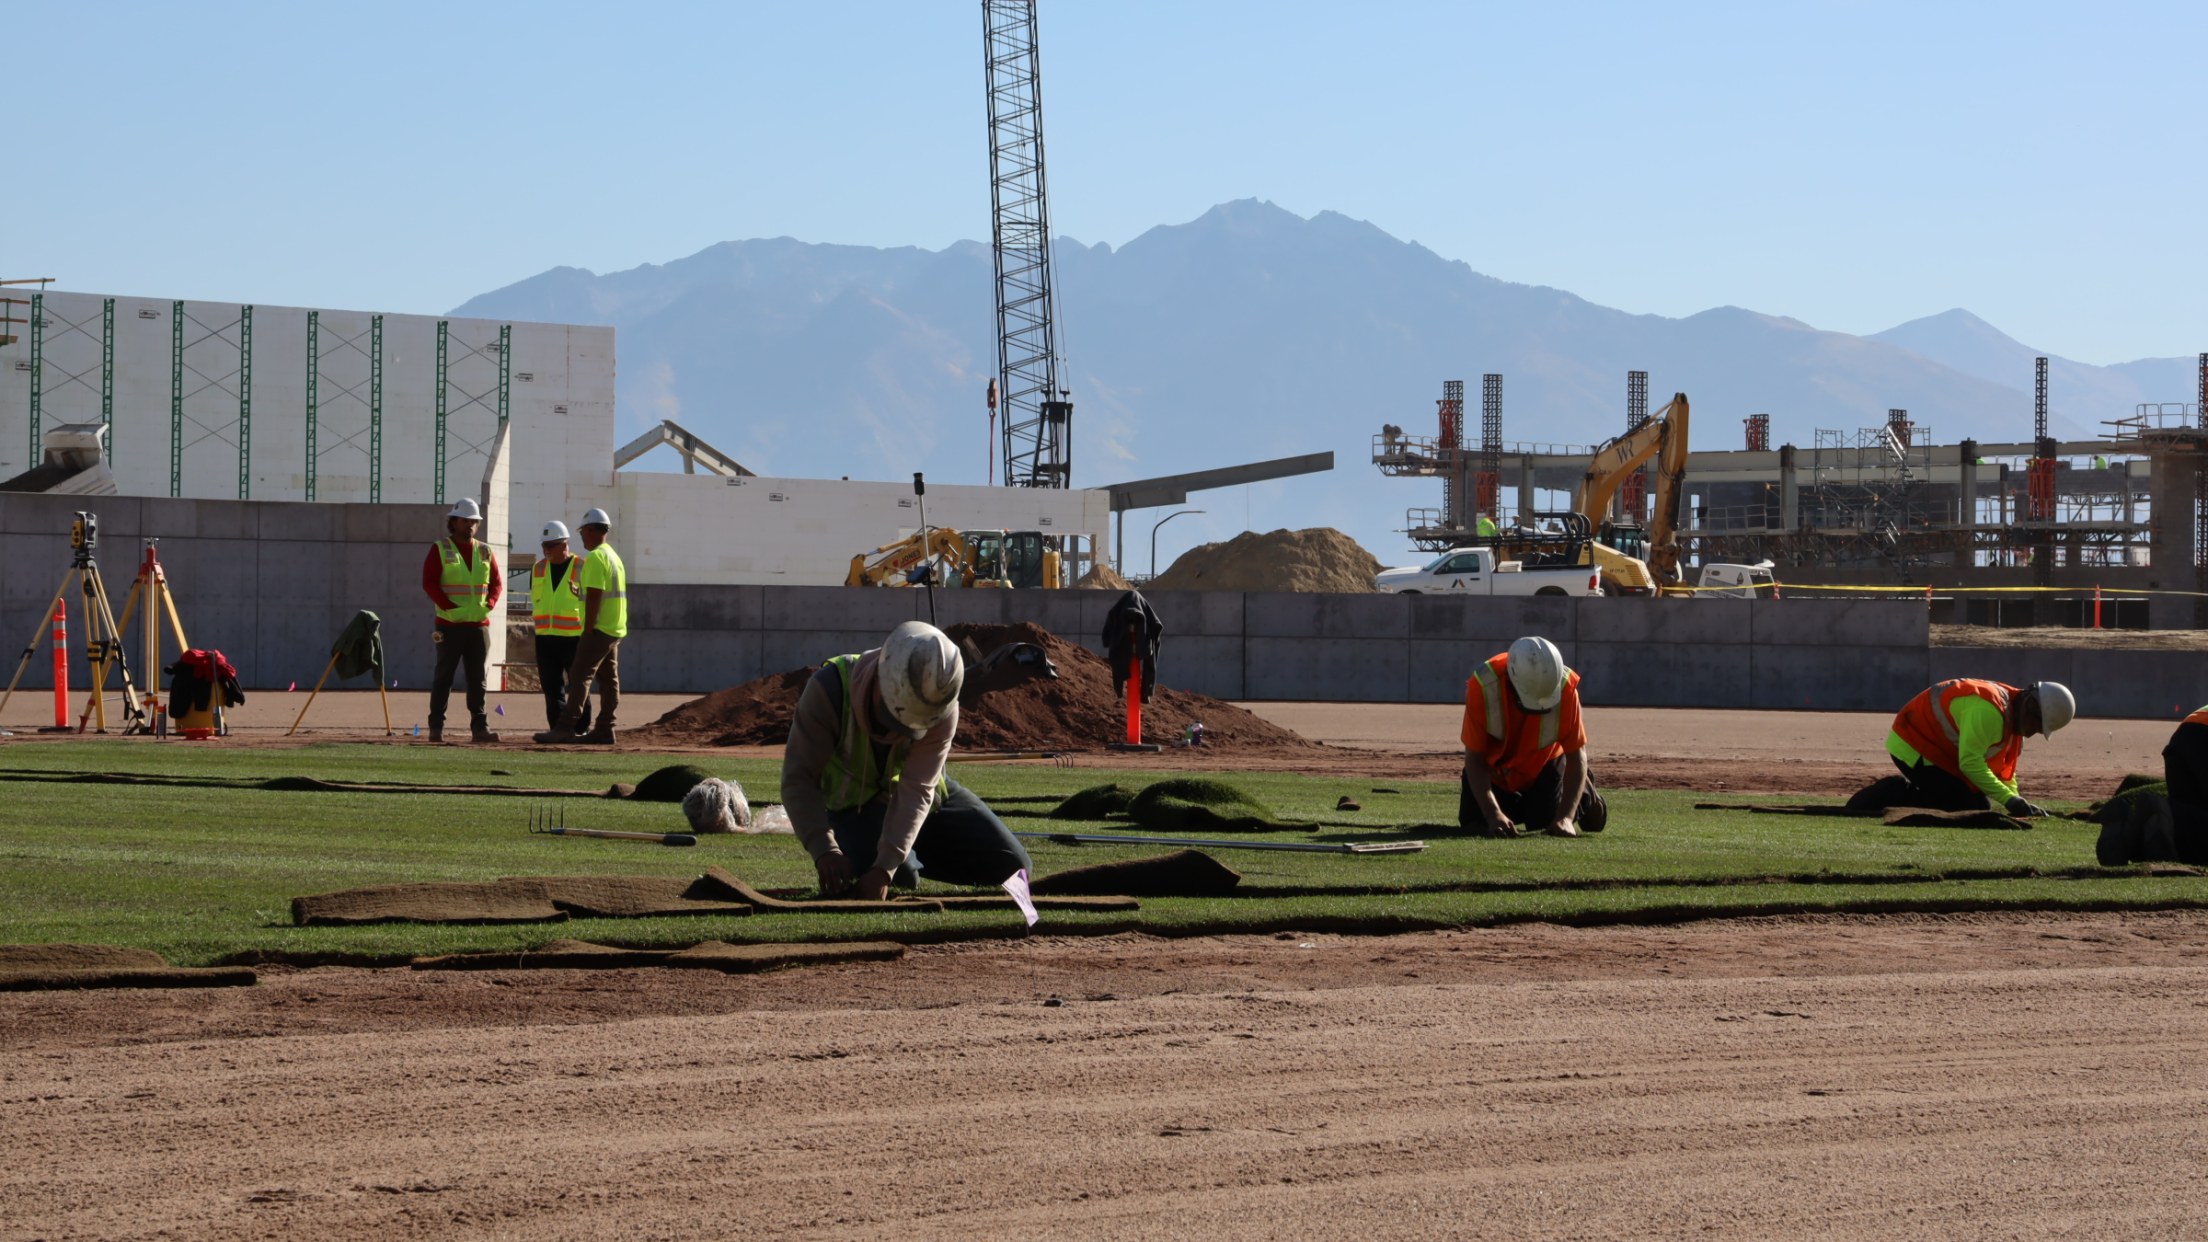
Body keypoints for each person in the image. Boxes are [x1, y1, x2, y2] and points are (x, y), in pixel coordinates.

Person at [780, 620, 1031, 899]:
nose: (895, 732)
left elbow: (918, 788)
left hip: (924, 800)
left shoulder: (943, 707)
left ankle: (909, 855)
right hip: (856, 809)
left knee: (1015, 868)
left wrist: (885, 866)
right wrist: (825, 849)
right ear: (879, 678)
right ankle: (903, 861)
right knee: (902, 879)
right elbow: (798, 778)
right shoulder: (829, 690)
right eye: (890, 716)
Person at [1459, 635, 1607, 837]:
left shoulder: (1566, 688)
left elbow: (1576, 755)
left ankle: (1585, 790)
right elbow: (1474, 758)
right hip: (1496, 772)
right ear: (1512, 680)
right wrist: (1493, 814)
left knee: (1546, 821)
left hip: (1545, 764)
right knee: (1476, 823)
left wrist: (1565, 818)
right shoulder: (1484, 686)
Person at [1886, 679, 2074, 816]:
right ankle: (1892, 791)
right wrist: (2009, 800)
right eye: (2037, 726)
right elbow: (1970, 764)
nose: (2032, 733)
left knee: (1978, 806)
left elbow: (2002, 769)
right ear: (2030, 705)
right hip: (1912, 743)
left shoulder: (2013, 716)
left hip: (1940, 752)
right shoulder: (1989, 712)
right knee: (1964, 806)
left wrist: (2016, 799)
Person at [534, 508, 625, 745]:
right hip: (614, 627)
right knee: (609, 680)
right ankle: (606, 727)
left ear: (591, 530)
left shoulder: (594, 558)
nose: (582, 536)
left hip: (597, 629)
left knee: (579, 676)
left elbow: (594, 596)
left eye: (583, 531)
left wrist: (588, 629)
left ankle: (566, 726)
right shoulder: (613, 556)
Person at [420, 497, 502, 744]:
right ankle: (436, 728)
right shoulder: (440, 548)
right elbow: (429, 582)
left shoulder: (485, 551)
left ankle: (480, 729)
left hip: (478, 626)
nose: (470, 525)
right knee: (443, 677)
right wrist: (449, 607)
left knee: (478, 680)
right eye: (465, 521)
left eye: (474, 521)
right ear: (453, 522)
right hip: (449, 625)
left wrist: (489, 604)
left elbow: (496, 583)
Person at [528, 520, 589, 735]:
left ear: (565, 544)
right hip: (545, 638)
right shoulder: (538, 569)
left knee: (578, 686)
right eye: (544, 545)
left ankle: (581, 728)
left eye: (551, 545)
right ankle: (557, 728)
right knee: (551, 688)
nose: (546, 549)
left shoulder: (582, 567)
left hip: (574, 638)